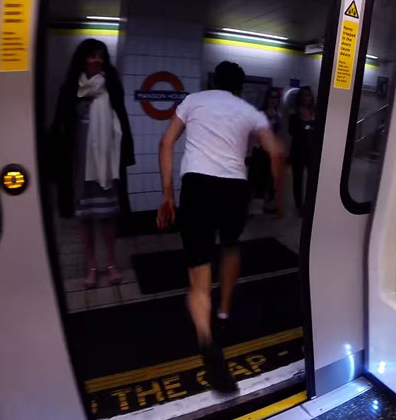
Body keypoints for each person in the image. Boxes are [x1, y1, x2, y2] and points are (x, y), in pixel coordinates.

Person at [156, 61, 284, 392]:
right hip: (233, 188)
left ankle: (207, 339)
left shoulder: (192, 101)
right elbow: (276, 154)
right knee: (230, 246)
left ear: (213, 81)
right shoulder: (248, 110)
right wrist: (279, 199)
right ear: (240, 87)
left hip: (197, 187)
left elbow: (165, 143)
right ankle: (225, 313)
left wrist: (168, 197)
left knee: (199, 274)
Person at [50, 39, 135, 288]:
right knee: (85, 218)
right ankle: (91, 267)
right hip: (78, 163)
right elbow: (59, 126)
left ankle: (111, 264)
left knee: (108, 216)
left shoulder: (112, 86)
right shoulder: (69, 89)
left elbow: (123, 119)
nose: (97, 60)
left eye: (101, 56)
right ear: (82, 59)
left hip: (106, 162)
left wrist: (127, 154)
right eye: (92, 56)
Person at [248, 88, 284, 214]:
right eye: (271, 97)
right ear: (267, 99)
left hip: (271, 152)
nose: (273, 100)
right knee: (254, 179)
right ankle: (249, 206)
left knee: (270, 179)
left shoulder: (278, 115)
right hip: (259, 151)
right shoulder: (260, 114)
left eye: (276, 98)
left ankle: (267, 203)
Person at [289, 87, 317, 215]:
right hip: (298, 149)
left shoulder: (315, 112)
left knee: (313, 177)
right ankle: (299, 205)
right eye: (304, 96)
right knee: (298, 179)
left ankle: (310, 203)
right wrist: (304, 124)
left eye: (308, 95)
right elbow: (291, 131)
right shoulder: (294, 113)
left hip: (312, 149)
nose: (306, 98)